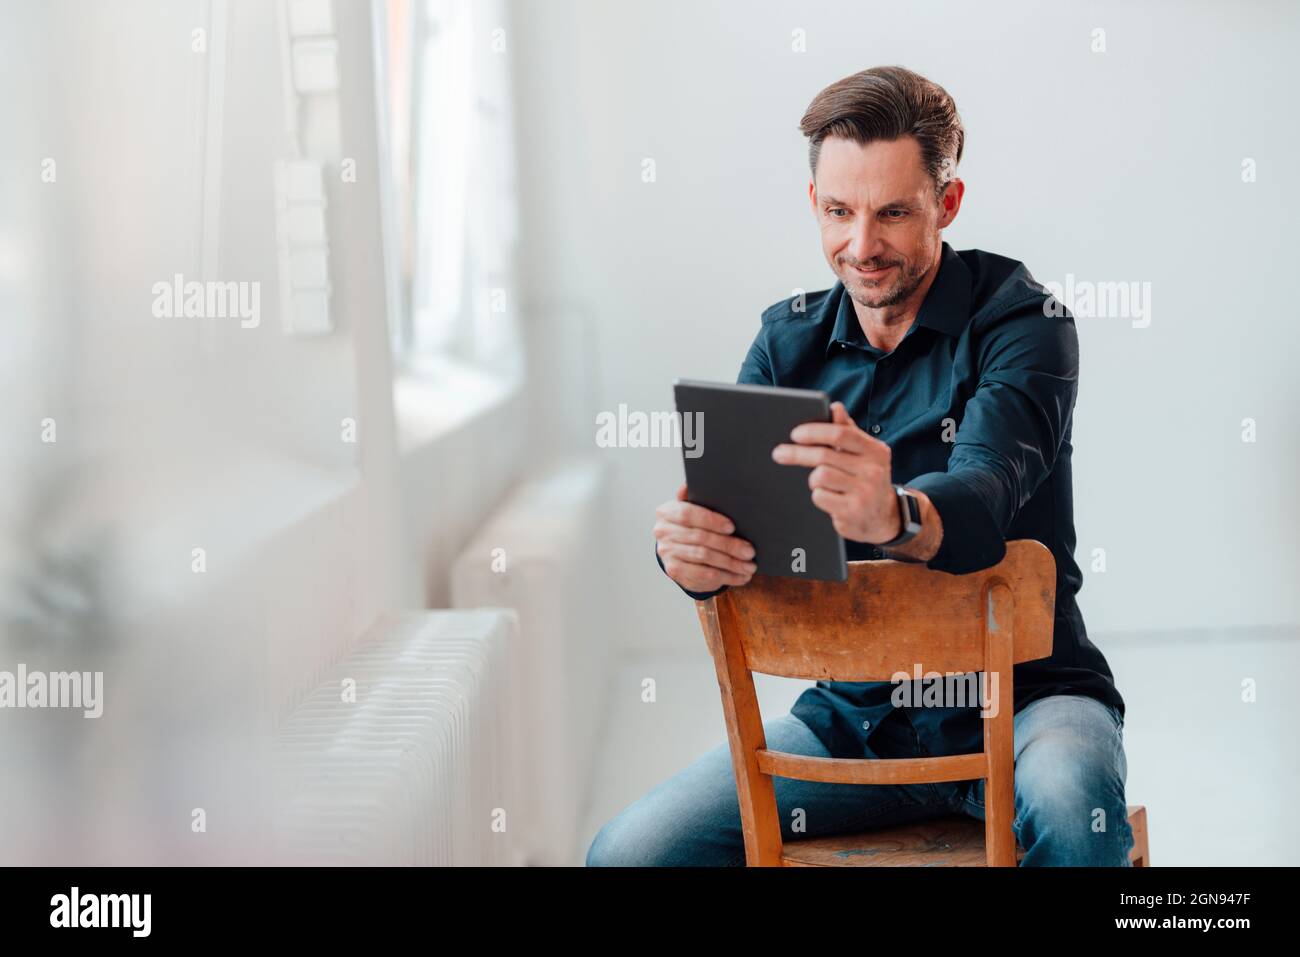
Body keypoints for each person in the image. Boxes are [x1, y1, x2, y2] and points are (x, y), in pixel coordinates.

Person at [587, 65, 1132, 867]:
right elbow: (746, 531)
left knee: (1067, 807)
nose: (861, 245)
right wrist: (690, 557)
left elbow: (987, 493)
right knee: (630, 853)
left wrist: (895, 515)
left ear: (947, 204)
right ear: (814, 203)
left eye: (893, 213)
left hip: (1028, 700)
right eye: (839, 212)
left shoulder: (1025, 321)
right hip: (853, 722)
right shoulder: (785, 343)